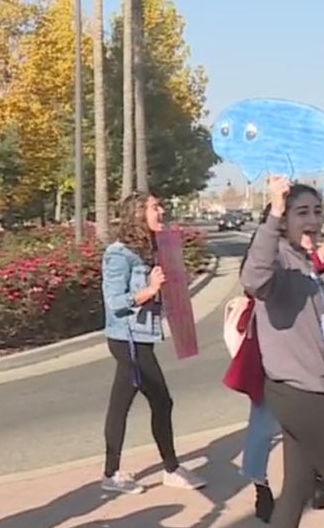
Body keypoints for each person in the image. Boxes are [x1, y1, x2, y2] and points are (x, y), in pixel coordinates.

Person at [242, 177, 324, 527]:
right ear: (284, 219)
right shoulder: (277, 256)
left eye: (316, 211)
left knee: (296, 489)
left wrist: (320, 253)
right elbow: (255, 278)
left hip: (313, 387)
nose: (311, 219)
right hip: (300, 392)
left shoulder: (303, 260)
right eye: (301, 212)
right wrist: (274, 212)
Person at [99, 191, 206, 494]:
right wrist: (148, 290)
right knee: (162, 401)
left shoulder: (151, 249)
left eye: (161, 205)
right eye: (154, 207)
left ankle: (111, 474)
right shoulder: (119, 254)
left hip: (140, 338)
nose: (161, 211)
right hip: (128, 338)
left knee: (120, 405)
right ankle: (170, 469)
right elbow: (114, 301)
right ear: (137, 215)